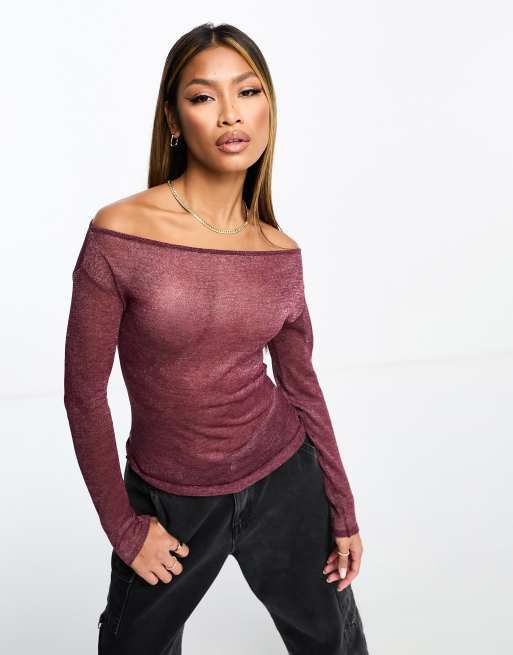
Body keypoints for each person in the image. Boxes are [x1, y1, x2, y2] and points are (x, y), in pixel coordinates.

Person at [63, 21, 369, 655]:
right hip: (170, 502)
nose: (231, 114)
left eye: (248, 92)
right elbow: (84, 393)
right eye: (204, 97)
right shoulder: (120, 233)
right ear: (173, 119)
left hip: (285, 479)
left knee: (334, 646)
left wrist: (342, 508)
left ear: (268, 108)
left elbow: (302, 387)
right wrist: (124, 528)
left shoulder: (278, 251)